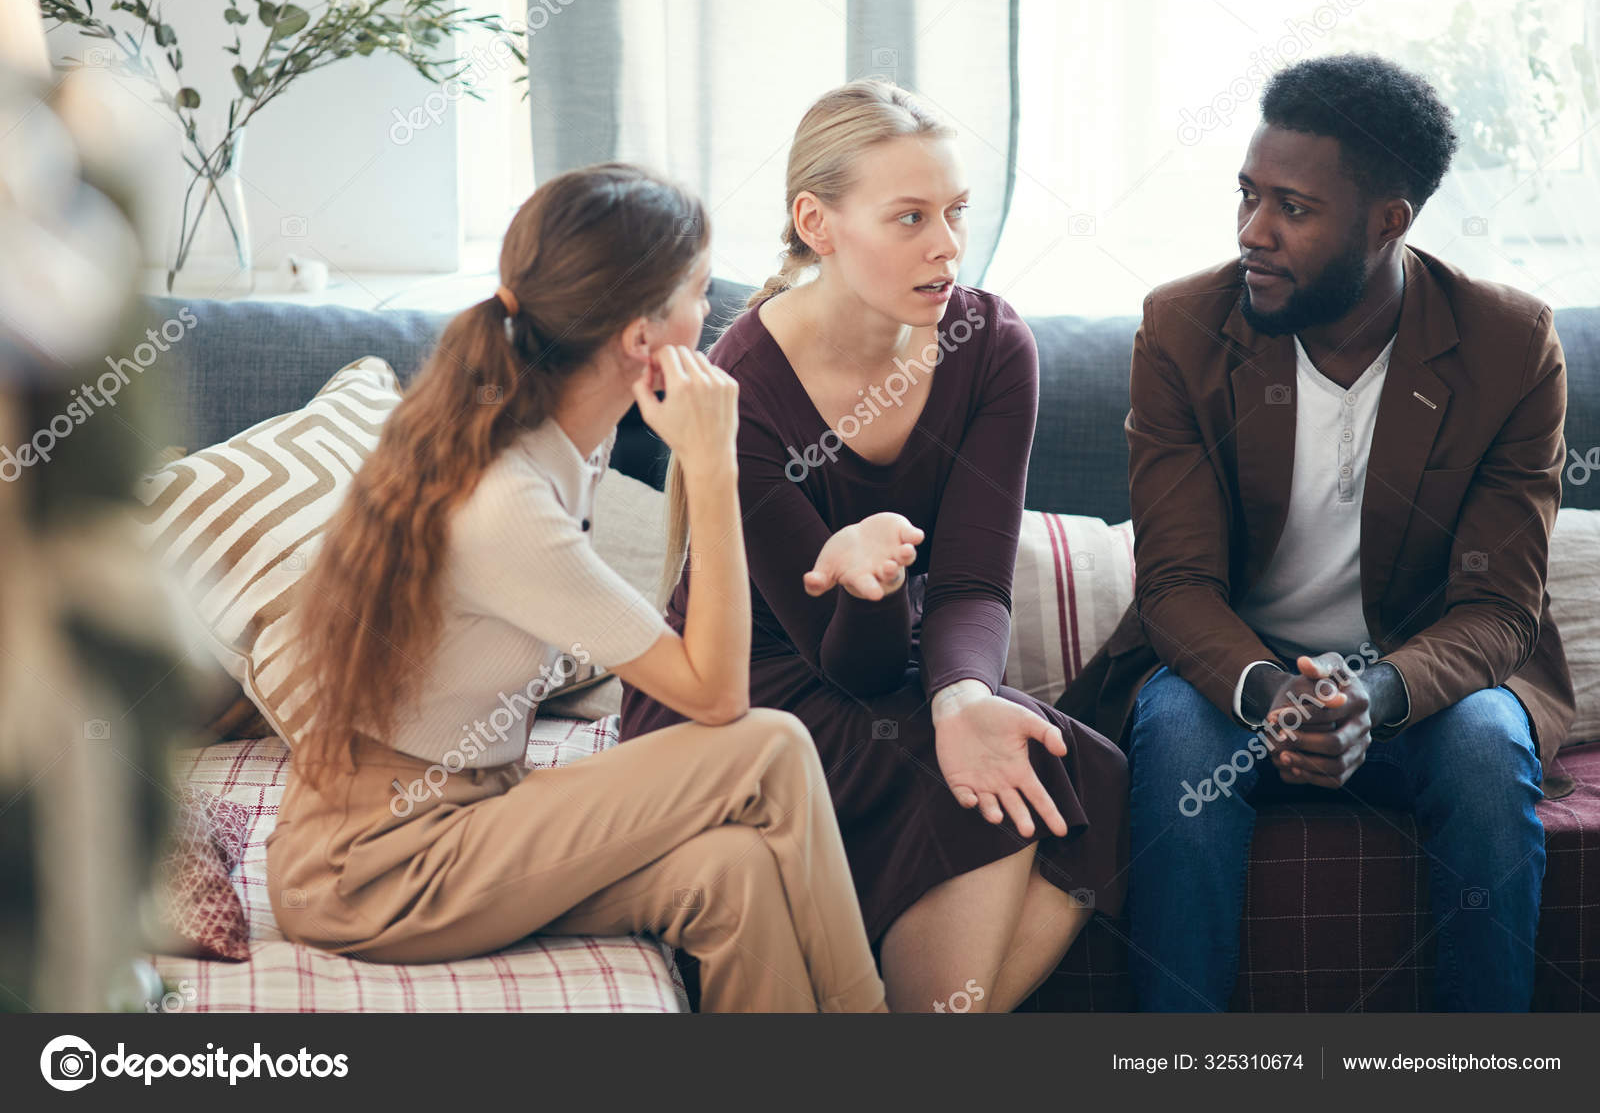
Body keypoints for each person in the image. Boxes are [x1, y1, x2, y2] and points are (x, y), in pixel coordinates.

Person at [266, 163, 887, 1014]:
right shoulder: (507, 497)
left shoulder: (545, 435)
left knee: (732, 873)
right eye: (701, 294)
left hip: (468, 811)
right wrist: (711, 466)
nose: (713, 318)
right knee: (771, 745)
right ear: (641, 337)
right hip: (378, 864)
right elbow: (717, 694)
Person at [1058, 54, 1575, 1012]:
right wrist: (1273, 695)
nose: (1253, 231)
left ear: (1390, 221)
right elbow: (1174, 582)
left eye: (1292, 209)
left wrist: (1372, 697)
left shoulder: (1509, 347)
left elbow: (1500, 606)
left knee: (1483, 746)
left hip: (1421, 686)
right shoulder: (1183, 329)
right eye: (1248, 196)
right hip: (1231, 678)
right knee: (1175, 732)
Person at [620, 80, 1129, 1014]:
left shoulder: (989, 342)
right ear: (818, 222)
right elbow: (838, 660)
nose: (947, 245)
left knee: (1076, 763)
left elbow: (974, 583)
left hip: (891, 667)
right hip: (751, 697)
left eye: (955, 212)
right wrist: (859, 580)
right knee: (979, 780)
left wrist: (964, 697)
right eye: (909, 217)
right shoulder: (744, 385)